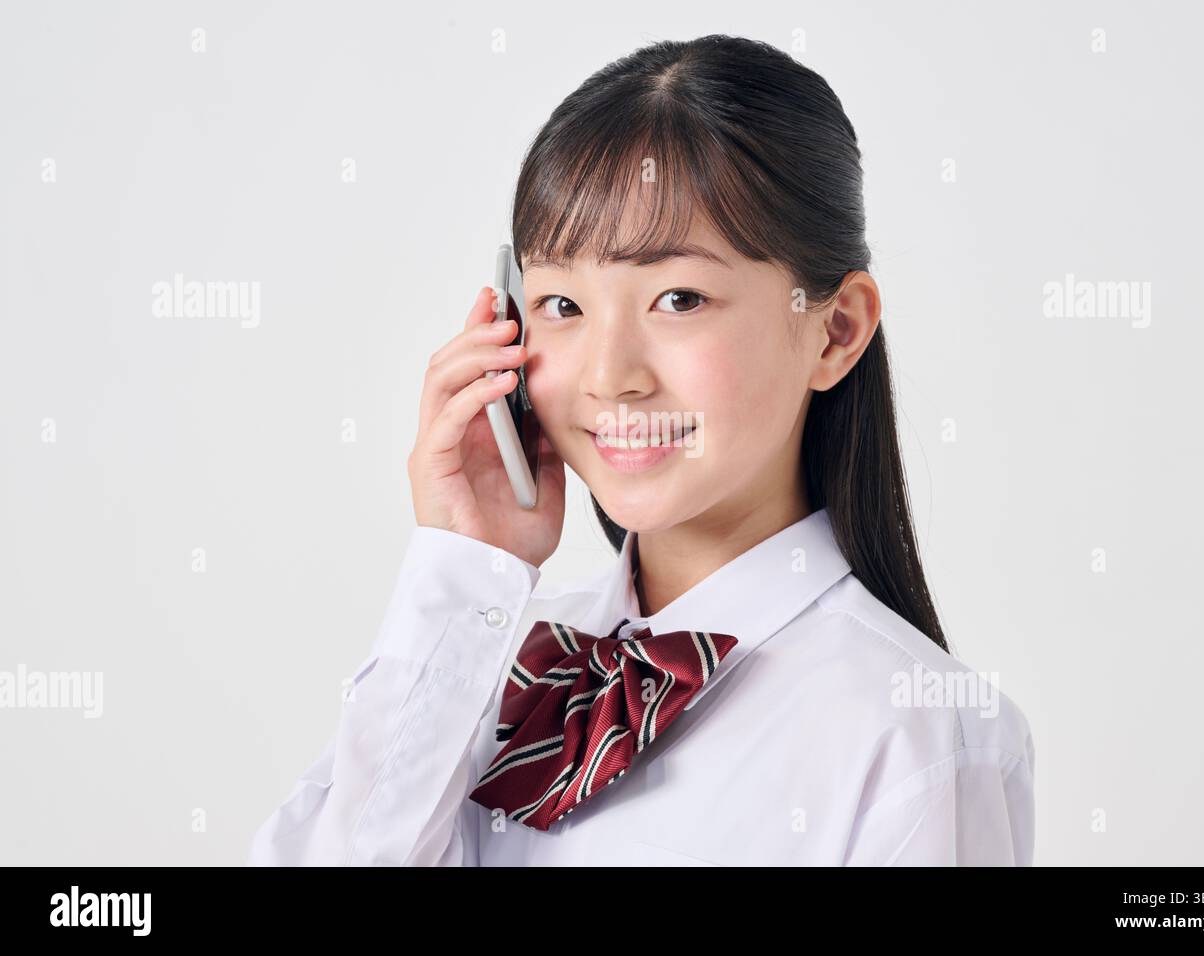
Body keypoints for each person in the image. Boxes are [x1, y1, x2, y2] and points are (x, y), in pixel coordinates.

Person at [247, 34, 1034, 866]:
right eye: (561, 303)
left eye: (678, 297)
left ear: (835, 330)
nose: (610, 375)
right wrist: (463, 566)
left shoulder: (917, 732)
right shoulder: (478, 660)